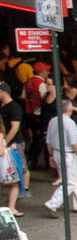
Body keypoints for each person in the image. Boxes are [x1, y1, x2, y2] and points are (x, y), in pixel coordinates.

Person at [42, 99, 77, 218]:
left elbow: (48, 141)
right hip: (68, 154)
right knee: (71, 182)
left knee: (74, 180)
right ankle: (52, 204)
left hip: (57, 152)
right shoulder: (70, 123)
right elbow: (75, 144)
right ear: (70, 109)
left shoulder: (53, 121)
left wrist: (51, 155)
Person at [0, 82, 25, 215]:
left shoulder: (13, 107)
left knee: (21, 171)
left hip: (13, 144)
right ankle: (12, 207)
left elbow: (15, 128)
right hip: (9, 150)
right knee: (15, 179)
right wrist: (7, 146)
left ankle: (24, 190)